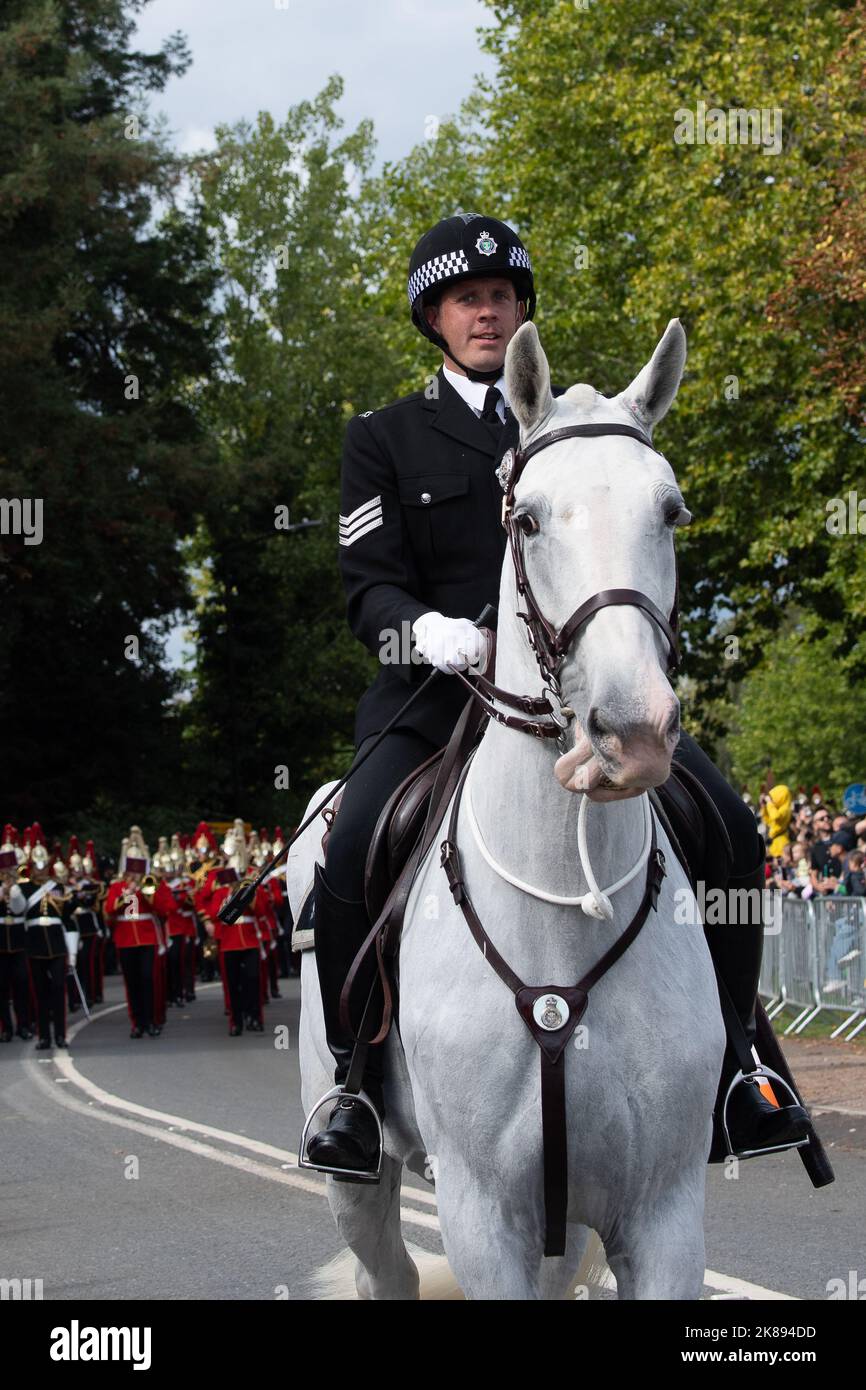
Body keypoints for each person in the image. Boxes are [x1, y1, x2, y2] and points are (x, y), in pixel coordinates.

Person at [305, 212, 809, 1178]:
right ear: (435, 318)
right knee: (356, 841)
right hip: (435, 701)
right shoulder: (383, 437)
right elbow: (366, 590)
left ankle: (740, 1067)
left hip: (575, 697)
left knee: (735, 834)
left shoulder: (582, 424)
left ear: (522, 310)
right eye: (466, 299)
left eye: (502, 297)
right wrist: (435, 634)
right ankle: (353, 1083)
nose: (486, 312)